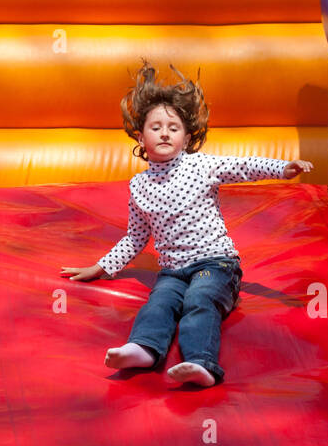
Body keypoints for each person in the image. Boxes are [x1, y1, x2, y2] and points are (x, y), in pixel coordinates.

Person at [60, 60, 312, 387]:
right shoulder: (139, 186)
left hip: (216, 264)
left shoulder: (200, 165)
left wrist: (282, 168)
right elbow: (135, 238)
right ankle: (144, 348)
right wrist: (101, 267)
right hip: (172, 271)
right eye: (156, 127)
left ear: (186, 136)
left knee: (200, 299)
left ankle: (200, 362)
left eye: (173, 127)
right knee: (159, 303)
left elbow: (244, 166)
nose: (165, 132)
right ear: (140, 136)